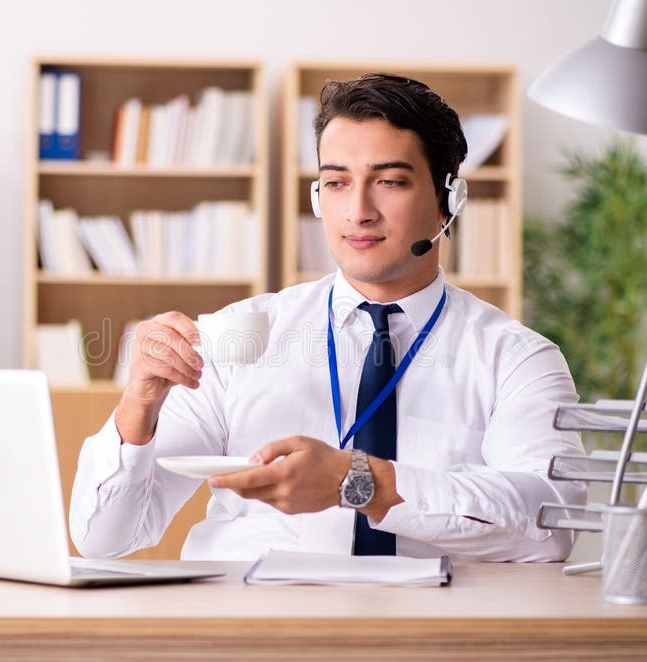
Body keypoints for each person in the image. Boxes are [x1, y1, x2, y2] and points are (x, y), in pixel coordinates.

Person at [70, 73, 585, 562]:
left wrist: (358, 480)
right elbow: (102, 538)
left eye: (388, 181)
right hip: (252, 629)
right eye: (336, 183)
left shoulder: (517, 358)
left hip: (424, 635)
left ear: (448, 200)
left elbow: (550, 523)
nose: (358, 211)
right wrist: (136, 409)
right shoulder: (241, 334)